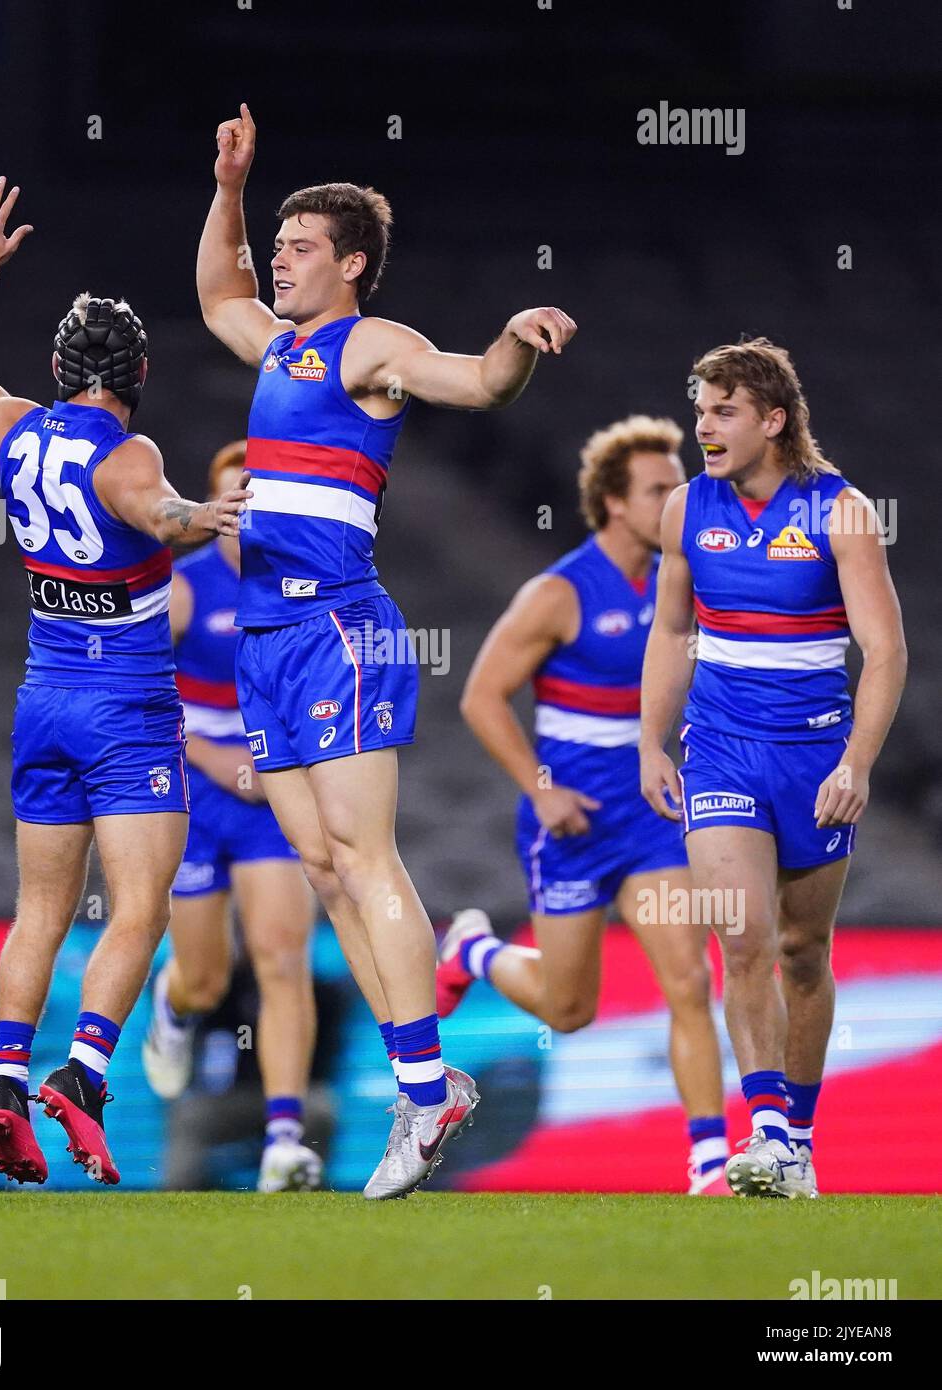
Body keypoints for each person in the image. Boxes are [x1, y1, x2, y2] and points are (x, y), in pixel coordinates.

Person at [195, 103, 576, 1198]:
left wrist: (515, 339)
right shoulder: (281, 341)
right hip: (267, 637)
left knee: (365, 858)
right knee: (321, 866)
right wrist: (229, 189)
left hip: (333, 629)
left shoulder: (372, 344)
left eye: (301, 246)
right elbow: (220, 293)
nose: (280, 257)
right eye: (281, 244)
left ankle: (424, 1088)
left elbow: (477, 381)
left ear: (352, 263)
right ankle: (425, 1081)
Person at [0, 177, 238, 1186]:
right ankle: (86, 1073)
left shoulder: (13, 429)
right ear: (139, 372)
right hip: (129, 705)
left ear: (60, 368)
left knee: (40, 909)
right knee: (141, 906)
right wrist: (214, 514)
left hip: (43, 696)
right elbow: (155, 512)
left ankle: (4, 1083)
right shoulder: (130, 449)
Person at [640, 338, 906, 1197]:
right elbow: (672, 633)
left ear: (773, 421)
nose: (703, 426)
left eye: (723, 411)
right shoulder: (686, 508)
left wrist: (858, 764)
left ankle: (799, 1136)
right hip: (719, 748)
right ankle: (765, 1132)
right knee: (743, 937)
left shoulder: (842, 511)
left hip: (816, 760)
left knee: (801, 950)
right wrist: (651, 740)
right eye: (700, 408)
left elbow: (886, 648)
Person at [444, 416, 730, 1194]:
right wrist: (543, 788)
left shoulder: (689, 584)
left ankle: (710, 1163)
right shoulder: (558, 592)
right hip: (569, 824)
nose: (677, 501)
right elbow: (480, 696)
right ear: (612, 503)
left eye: (681, 487)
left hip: (649, 821)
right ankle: (472, 951)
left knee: (690, 981)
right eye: (659, 490)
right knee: (569, 1011)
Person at [142, 441, 320, 1192]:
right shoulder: (184, 591)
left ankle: (284, 1138)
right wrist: (216, 758)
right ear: (212, 511)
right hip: (197, 795)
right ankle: (174, 1005)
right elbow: (138, 695)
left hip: (273, 798)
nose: (247, 505)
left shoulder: (308, 590)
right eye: (234, 494)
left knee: (282, 962)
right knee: (209, 979)